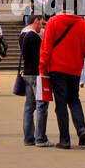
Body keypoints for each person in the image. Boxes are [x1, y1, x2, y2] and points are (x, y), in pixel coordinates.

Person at [39, 6, 85, 148]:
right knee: (74, 100)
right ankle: (81, 129)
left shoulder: (52, 22)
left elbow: (46, 48)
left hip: (57, 69)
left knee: (61, 104)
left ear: (61, 8)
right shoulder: (83, 24)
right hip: (75, 69)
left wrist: (42, 68)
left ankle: (65, 140)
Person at [18, 16, 50, 146]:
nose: (42, 26)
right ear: (36, 21)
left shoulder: (23, 35)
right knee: (42, 106)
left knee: (29, 107)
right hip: (37, 74)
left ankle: (28, 138)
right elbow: (41, 56)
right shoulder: (35, 37)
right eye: (41, 23)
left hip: (27, 73)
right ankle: (40, 138)